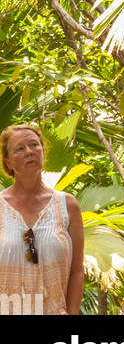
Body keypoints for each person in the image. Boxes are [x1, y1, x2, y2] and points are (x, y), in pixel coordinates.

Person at [0, 125, 84, 315]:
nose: (29, 151)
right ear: (8, 162)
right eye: (20, 148)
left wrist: (72, 313)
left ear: (43, 152)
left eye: (34, 145)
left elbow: (77, 271)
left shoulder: (67, 205)